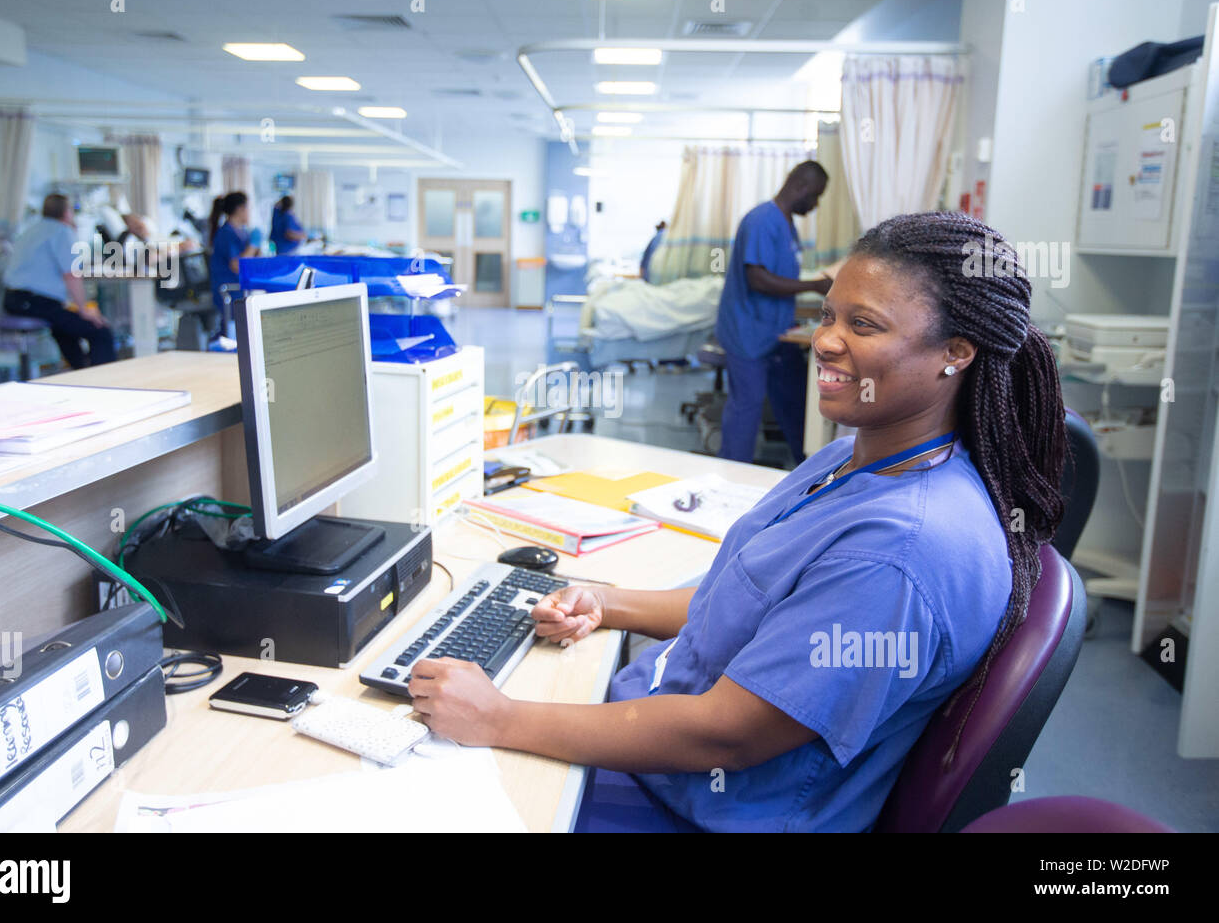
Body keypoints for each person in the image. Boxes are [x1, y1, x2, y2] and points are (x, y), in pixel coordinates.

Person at [401, 212, 1069, 832]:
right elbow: (749, 600)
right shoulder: (854, 458)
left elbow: (728, 734)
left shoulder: (899, 552)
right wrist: (609, 603)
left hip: (709, 807)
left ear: (956, 351)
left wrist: (503, 720)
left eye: (863, 325)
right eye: (827, 314)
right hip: (674, 747)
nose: (825, 342)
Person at [715, 161, 832, 465]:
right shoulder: (762, 220)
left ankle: (808, 470)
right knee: (747, 406)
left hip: (776, 332)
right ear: (802, 187)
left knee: (795, 402)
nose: (817, 204)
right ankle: (730, 474)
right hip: (747, 332)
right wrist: (813, 286)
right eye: (816, 196)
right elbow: (758, 278)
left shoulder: (786, 223)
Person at [2, 193, 116, 369]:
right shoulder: (62, 232)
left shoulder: (32, 230)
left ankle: (82, 375)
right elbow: (71, 275)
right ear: (66, 213)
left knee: (64, 330)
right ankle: (104, 384)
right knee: (100, 331)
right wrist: (83, 310)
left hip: (14, 300)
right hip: (35, 302)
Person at [208, 192, 261, 333]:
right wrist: (253, 245)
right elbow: (236, 266)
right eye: (248, 208)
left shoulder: (242, 232)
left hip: (240, 290)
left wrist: (257, 248)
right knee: (232, 335)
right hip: (229, 292)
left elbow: (251, 262)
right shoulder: (226, 233)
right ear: (240, 209)